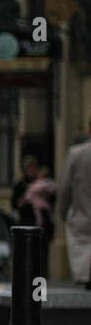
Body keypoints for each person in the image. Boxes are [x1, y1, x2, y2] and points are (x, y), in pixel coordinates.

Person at [57, 124, 91, 289]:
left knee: (84, 252)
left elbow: (64, 188)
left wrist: (62, 212)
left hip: (82, 216)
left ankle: (85, 278)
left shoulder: (76, 154)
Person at [12, 156, 56, 279]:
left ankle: (42, 275)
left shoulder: (44, 183)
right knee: (27, 251)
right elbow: (15, 204)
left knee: (42, 251)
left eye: (34, 168)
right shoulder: (21, 185)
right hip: (27, 221)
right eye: (29, 168)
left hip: (42, 223)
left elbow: (52, 200)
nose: (32, 170)